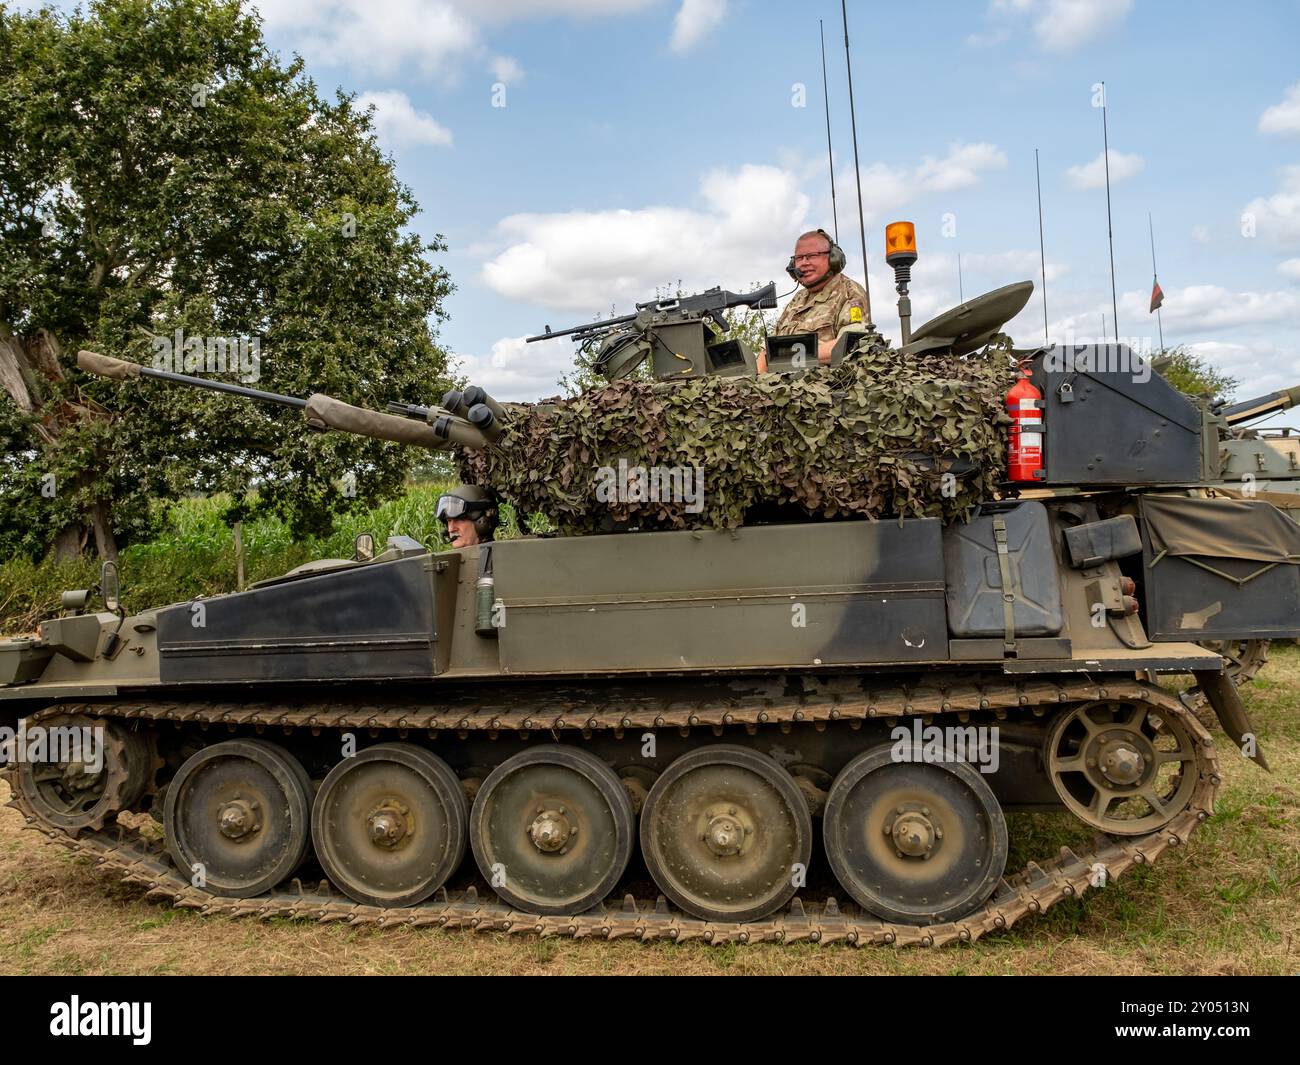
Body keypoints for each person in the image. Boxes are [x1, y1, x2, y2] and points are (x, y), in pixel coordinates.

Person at [761, 229, 871, 370]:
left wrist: (790, 355)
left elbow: (851, 344)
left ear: (833, 258)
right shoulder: (797, 300)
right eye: (799, 258)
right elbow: (767, 352)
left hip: (828, 386)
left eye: (812, 256)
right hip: (783, 386)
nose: (804, 263)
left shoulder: (849, 292)